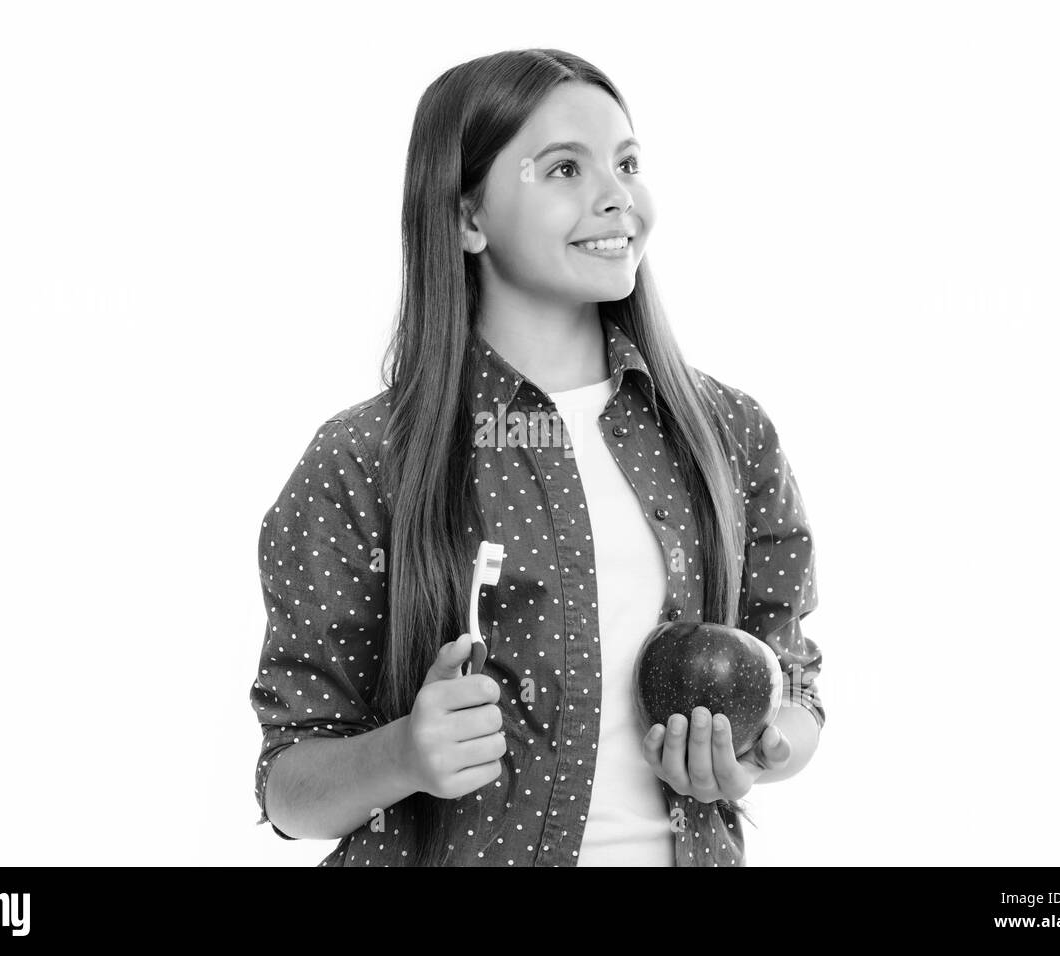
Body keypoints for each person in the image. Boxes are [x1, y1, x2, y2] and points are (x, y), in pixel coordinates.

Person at [249, 48, 825, 867]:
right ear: (466, 219)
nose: (616, 196)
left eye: (627, 163)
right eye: (563, 168)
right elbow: (288, 783)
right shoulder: (362, 460)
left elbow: (793, 672)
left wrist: (767, 749)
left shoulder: (728, 432)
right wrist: (404, 755)